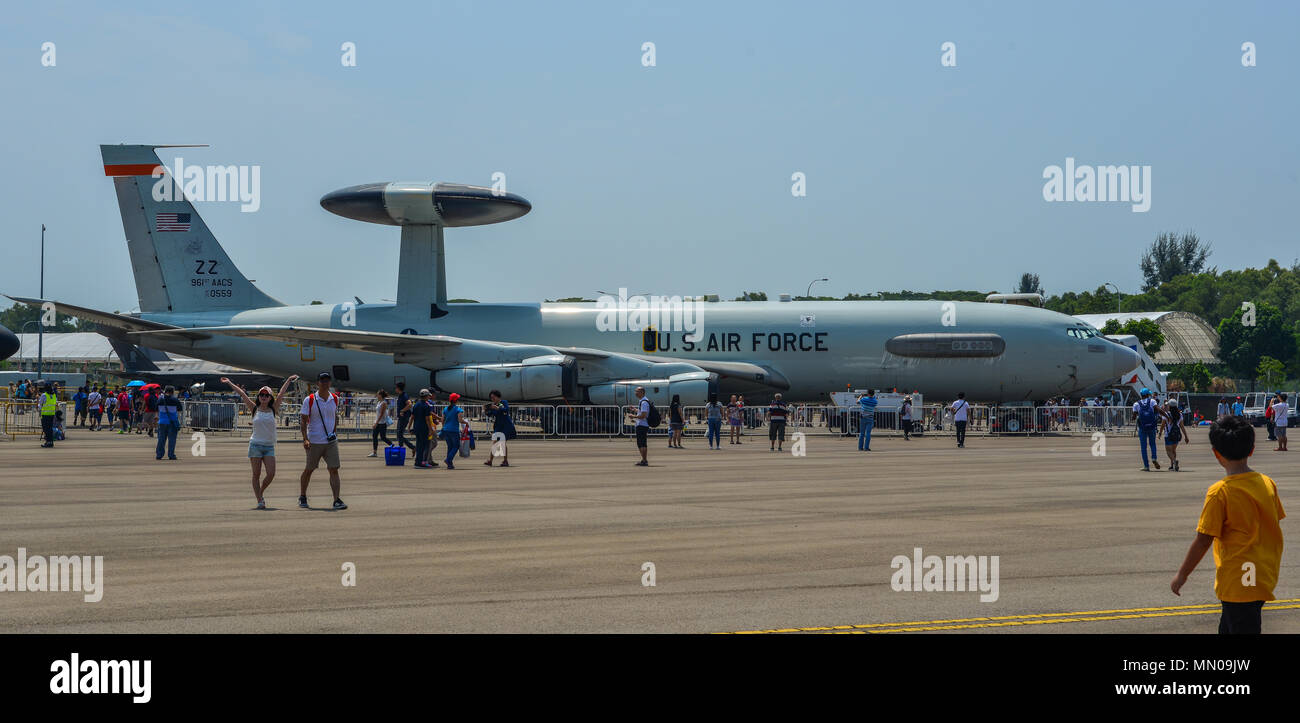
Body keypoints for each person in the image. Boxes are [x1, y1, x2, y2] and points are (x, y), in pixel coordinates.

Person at [1170, 415, 1285, 634]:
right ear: (1251, 450)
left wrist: (1182, 574)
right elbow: (1273, 520)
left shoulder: (1220, 492)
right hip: (1263, 572)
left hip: (1240, 578)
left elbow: (1204, 539)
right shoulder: (1267, 483)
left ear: (1216, 453)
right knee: (1233, 624)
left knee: (1241, 622)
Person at [224, 375, 296, 508]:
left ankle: (261, 492)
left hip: (268, 446)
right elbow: (241, 393)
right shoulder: (254, 409)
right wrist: (229, 382)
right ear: (258, 397)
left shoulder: (273, 409)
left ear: (270, 397)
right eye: (261, 395)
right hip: (255, 445)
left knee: (271, 473)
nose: (263, 397)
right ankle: (259, 500)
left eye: (266, 395)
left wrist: (289, 380)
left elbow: (281, 393)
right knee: (256, 474)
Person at [299, 372, 347, 510]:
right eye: (322, 380)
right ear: (318, 383)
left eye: (327, 380)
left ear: (330, 382)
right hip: (314, 441)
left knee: (334, 469)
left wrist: (334, 433)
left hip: (330, 442)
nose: (325, 383)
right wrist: (305, 439)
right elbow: (303, 420)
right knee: (309, 469)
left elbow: (334, 417)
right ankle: (302, 496)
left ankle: (336, 499)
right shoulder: (310, 399)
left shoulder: (335, 399)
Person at [1133, 388, 1162, 471]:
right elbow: (1158, 410)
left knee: (1143, 447)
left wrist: (1135, 416)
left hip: (1142, 427)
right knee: (1152, 444)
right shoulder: (1152, 401)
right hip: (1152, 426)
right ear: (1147, 395)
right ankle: (1154, 458)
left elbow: (1134, 416)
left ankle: (1146, 466)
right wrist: (1166, 416)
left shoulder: (1136, 404)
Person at [154, 385, 185, 462]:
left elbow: (156, 410)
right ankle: (171, 455)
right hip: (172, 421)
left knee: (161, 439)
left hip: (162, 422)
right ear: (172, 392)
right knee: (172, 439)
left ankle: (159, 454)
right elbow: (179, 411)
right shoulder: (175, 400)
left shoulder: (160, 399)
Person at [484, 390, 515, 467]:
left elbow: (506, 410)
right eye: (491, 398)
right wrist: (485, 410)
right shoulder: (493, 405)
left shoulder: (503, 402)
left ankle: (496, 461)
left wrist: (497, 408)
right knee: (498, 443)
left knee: (501, 443)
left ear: (498, 396)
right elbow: (489, 415)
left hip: (506, 425)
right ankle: (498, 461)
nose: (492, 399)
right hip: (498, 426)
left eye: (493, 397)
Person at [1160, 399, 1189, 471]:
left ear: (1170, 406)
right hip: (1176, 435)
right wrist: (1186, 436)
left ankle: (1174, 461)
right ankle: (1172, 465)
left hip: (1168, 435)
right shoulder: (1180, 414)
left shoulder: (1166, 414)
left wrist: (1160, 433)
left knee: (1168, 451)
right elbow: (1182, 426)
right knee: (1173, 450)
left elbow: (1162, 425)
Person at [411, 389, 437, 469]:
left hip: (417, 427)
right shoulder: (426, 406)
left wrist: (409, 426)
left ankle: (418, 461)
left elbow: (412, 416)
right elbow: (427, 419)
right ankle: (420, 463)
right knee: (424, 445)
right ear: (426, 396)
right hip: (424, 428)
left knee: (419, 445)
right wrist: (430, 429)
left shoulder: (416, 405)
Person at [441, 392, 464, 469]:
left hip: (446, 430)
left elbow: (442, 420)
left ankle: (450, 464)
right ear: (456, 400)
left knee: (450, 447)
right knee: (456, 446)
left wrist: (444, 427)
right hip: (454, 430)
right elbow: (460, 420)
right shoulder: (458, 409)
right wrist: (466, 422)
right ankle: (448, 459)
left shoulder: (445, 409)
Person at [628, 386, 650, 466]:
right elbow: (642, 412)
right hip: (641, 425)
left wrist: (633, 416)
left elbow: (643, 415)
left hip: (642, 425)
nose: (635, 393)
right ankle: (643, 460)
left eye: (637, 391)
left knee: (642, 443)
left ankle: (644, 460)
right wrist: (635, 410)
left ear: (642, 392)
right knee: (640, 443)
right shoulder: (643, 401)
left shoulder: (644, 402)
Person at [368, 389, 394, 457]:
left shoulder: (384, 403)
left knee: (383, 437)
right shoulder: (379, 402)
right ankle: (374, 452)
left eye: (378, 394)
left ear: (381, 395)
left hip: (382, 423)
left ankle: (391, 444)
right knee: (374, 436)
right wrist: (376, 422)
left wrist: (376, 423)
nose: (377, 395)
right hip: (377, 422)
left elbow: (382, 414)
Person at [394, 381, 416, 452]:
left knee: (399, 434)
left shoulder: (404, 395)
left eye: (396, 387)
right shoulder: (400, 395)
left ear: (398, 388)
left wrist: (402, 410)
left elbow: (410, 405)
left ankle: (412, 447)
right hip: (401, 418)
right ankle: (402, 448)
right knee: (399, 434)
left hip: (404, 417)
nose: (395, 389)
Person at [37, 383, 58, 448]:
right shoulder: (54, 395)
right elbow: (55, 403)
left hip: (45, 415)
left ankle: (48, 442)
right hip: (52, 414)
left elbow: (40, 404)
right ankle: (50, 442)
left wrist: (39, 410)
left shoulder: (44, 395)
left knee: (46, 429)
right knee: (50, 429)